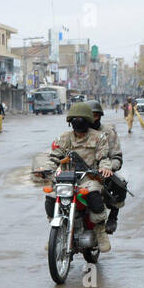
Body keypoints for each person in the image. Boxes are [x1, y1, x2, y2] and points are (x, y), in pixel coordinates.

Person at [47, 103, 114, 253]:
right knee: (51, 196)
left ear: (88, 121)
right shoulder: (64, 138)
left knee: (94, 195)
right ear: (70, 121)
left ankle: (100, 231)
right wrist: (44, 169)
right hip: (66, 178)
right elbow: (53, 157)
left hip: (89, 178)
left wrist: (105, 168)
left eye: (81, 119)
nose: (78, 121)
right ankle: (56, 233)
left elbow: (104, 157)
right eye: (75, 119)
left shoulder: (99, 137)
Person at [89, 101, 126, 235]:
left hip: (101, 173)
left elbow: (117, 156)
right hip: (80, 174)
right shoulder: (77, 133)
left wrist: (109, 168)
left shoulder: (108, 132)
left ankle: (113, 217)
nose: (92, 119)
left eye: (94, 115)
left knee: (120, 186)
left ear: (99, 116)